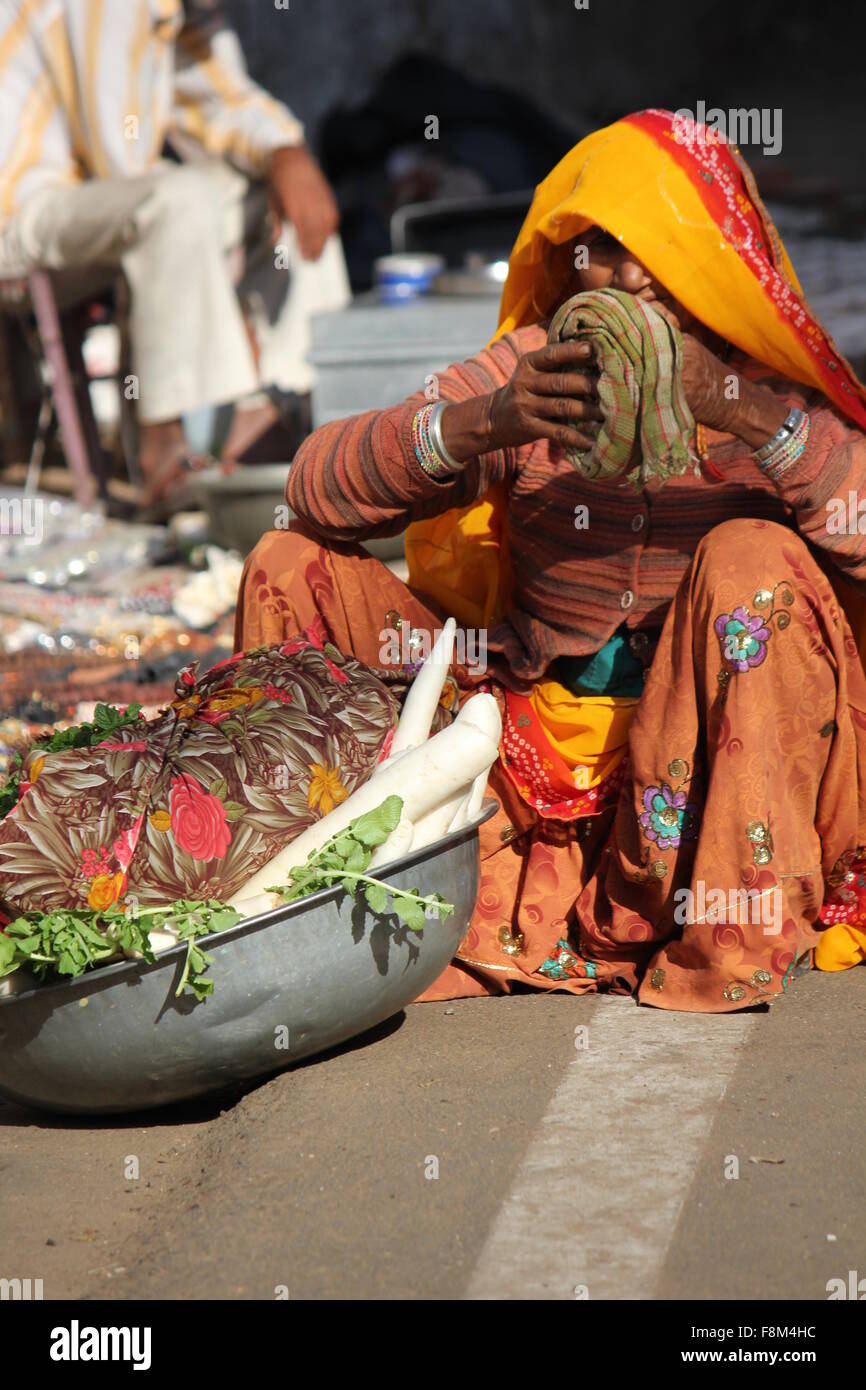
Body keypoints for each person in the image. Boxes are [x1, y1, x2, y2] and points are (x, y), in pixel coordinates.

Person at [232, 109, 866, 1012]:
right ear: (566, 262)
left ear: (722, 265)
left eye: (667, 251)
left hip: (710, 774)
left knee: (751, 554)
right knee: (287, 562)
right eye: (604, 248)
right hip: (528, 732)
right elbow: (309, 491)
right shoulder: (535, 370)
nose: (636, 277)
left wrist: (744, 416)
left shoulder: (765, 388)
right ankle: (289, 916)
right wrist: (484, 424)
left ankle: (726, 937)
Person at [0, 0, 349, 502]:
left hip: (88, 207)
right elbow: (120, 158)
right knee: (179, 202)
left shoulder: (184, 11)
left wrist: (285, 153)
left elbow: (222, 100)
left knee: (291, 194)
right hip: (22, 213)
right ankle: (161, 439)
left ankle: (273, 407)